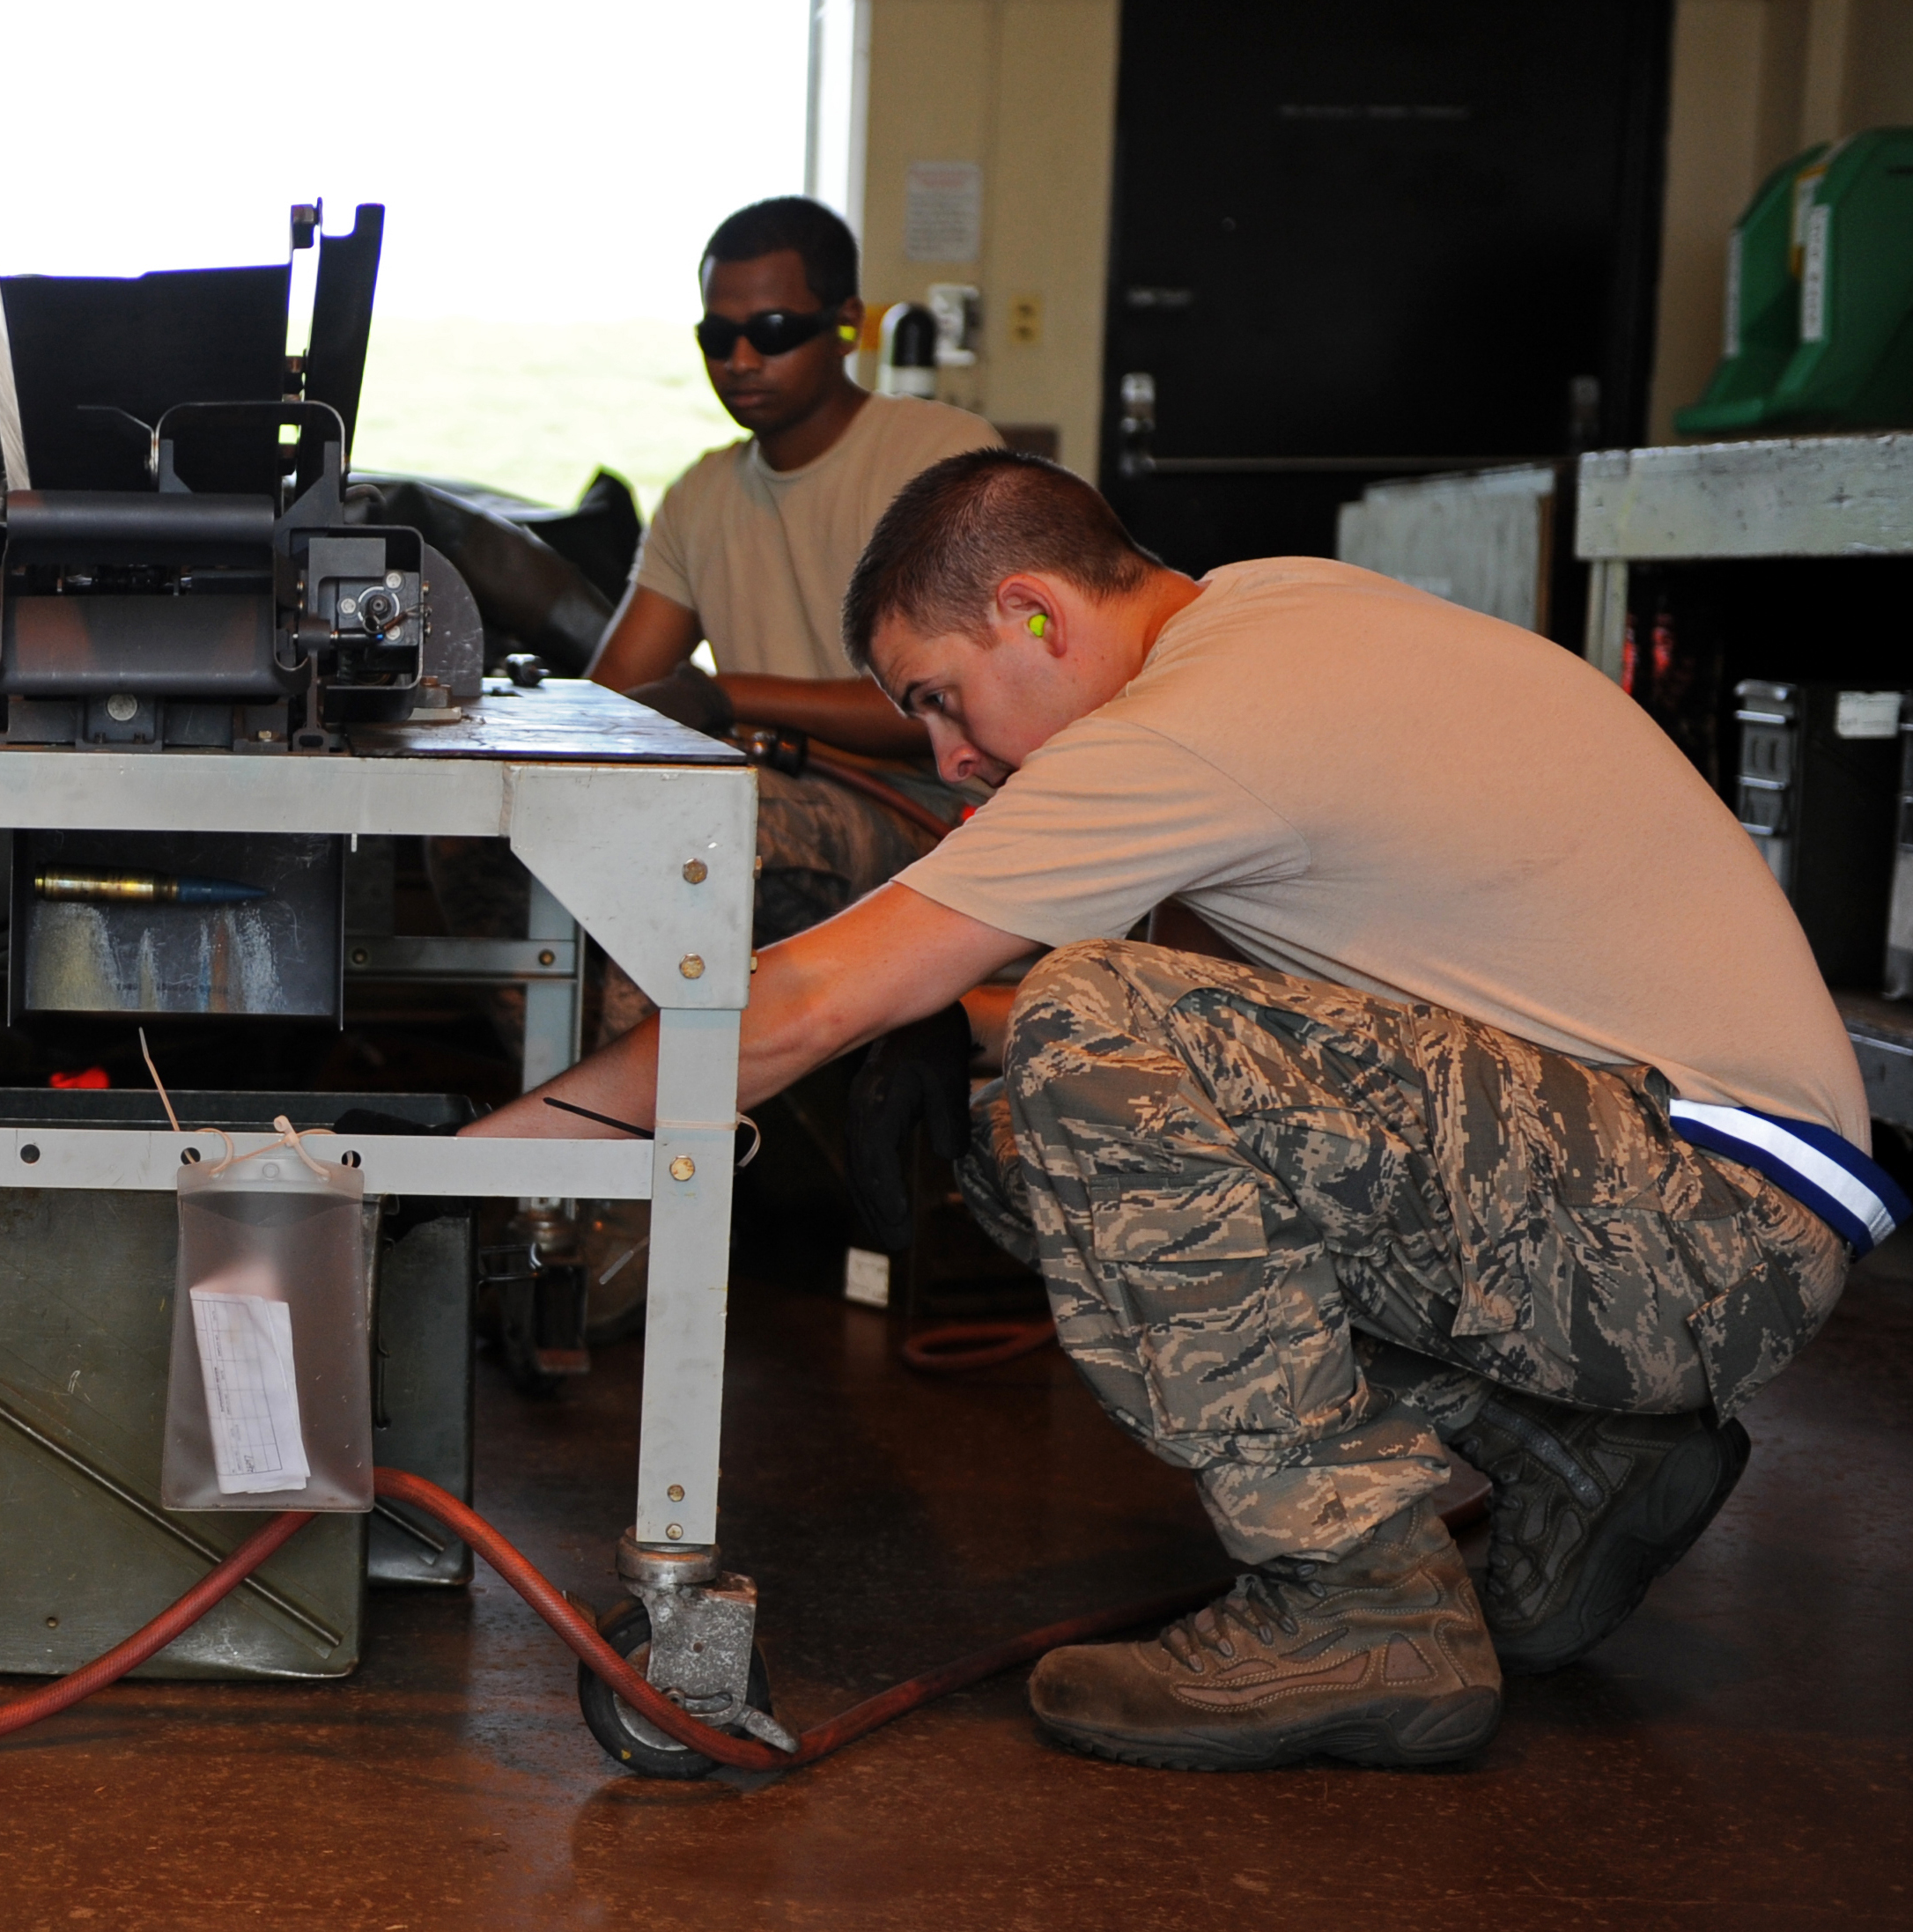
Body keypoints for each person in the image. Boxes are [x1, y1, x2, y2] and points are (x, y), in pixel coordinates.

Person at [477, 449, 1878, 1770]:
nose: (948, 755)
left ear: (1031, 613)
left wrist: (453, 1170)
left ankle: (1351, 1600)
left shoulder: (1178, 731)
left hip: (1699, 1219)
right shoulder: (1268, 612)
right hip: (1690, 1193)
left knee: (1081, 1024)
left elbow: (794, 1007)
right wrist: (947, 1024)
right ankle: (1574, 1451)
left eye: (935, 696)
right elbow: (1263, 1048)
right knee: (1033, 1127)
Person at [587, 197, 1000, 941]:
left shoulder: (940, 461)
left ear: (845, 324)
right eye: (719, 336)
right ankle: (619, 1057)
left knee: (692, 833)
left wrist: (725, 695)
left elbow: (960, 705)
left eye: (772, 333)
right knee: (491, 845)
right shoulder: (700, 494)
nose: (740, 361)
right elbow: (616, 698)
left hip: (929, 815)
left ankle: (687, 1057)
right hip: (767, 790)